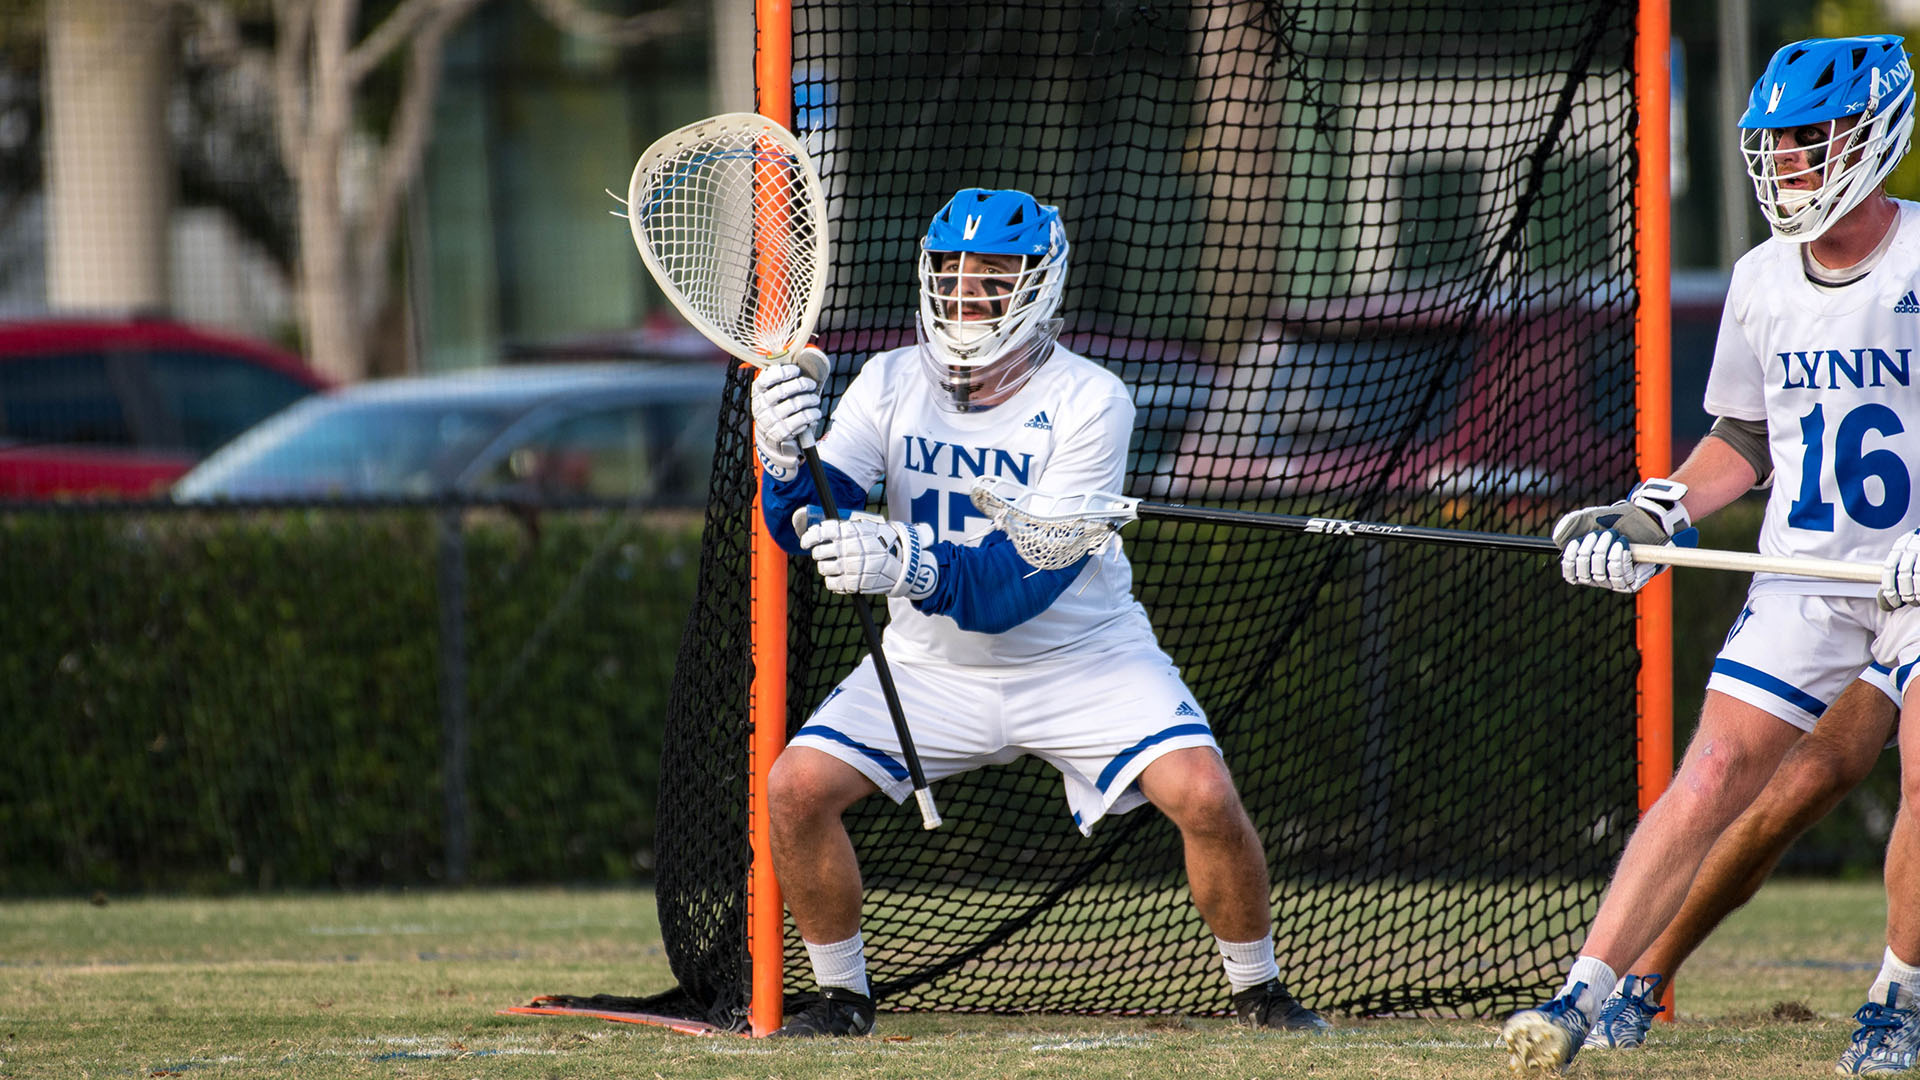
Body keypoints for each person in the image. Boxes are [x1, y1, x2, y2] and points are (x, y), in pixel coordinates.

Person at [747, 187, 1327, 1038]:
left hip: (1082, 656)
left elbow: (1020, 584)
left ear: (1040, 283)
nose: (965, 292)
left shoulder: (1094, 399)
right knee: (795, 790)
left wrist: (904, 558)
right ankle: (843, 997)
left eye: (993, 273)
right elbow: (804, 525)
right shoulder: (889, 380)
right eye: (950, 271)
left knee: (1205, 795)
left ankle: (1258, 989)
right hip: (928, 665)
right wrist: (781, 457)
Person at [1501, 34, 1920, 1076]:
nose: (1789, 164)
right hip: (1809, 573)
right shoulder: (1760, 277)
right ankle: (1582, 994)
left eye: (1811, 140)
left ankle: (1897, 1000)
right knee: (1716, 772)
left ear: (1873, 136)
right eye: (1777, 144)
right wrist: (1655, 516)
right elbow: (1742, 437)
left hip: (1916, 574)